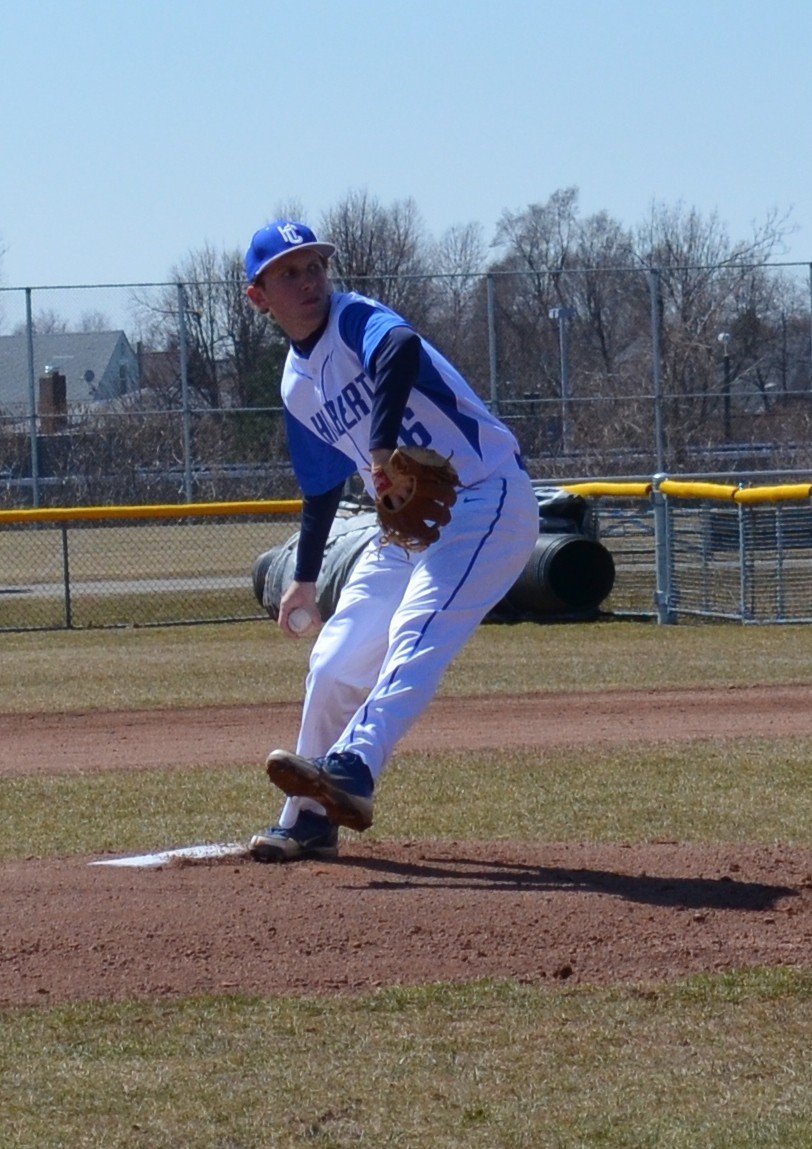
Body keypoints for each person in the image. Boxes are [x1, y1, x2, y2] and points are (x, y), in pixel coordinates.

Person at [244, 220, 539, 862]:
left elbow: (400, 346)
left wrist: (379, 447)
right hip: (407, 526)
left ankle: (353, 767)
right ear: (258, 296)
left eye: (315, 265)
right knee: (334, 660)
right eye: (288, 273)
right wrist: (303, 573)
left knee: (415, 629)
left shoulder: (355, 318)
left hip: (487, 496)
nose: (309, 280)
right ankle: (309, 819)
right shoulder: (295, 386)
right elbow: (321, 483)